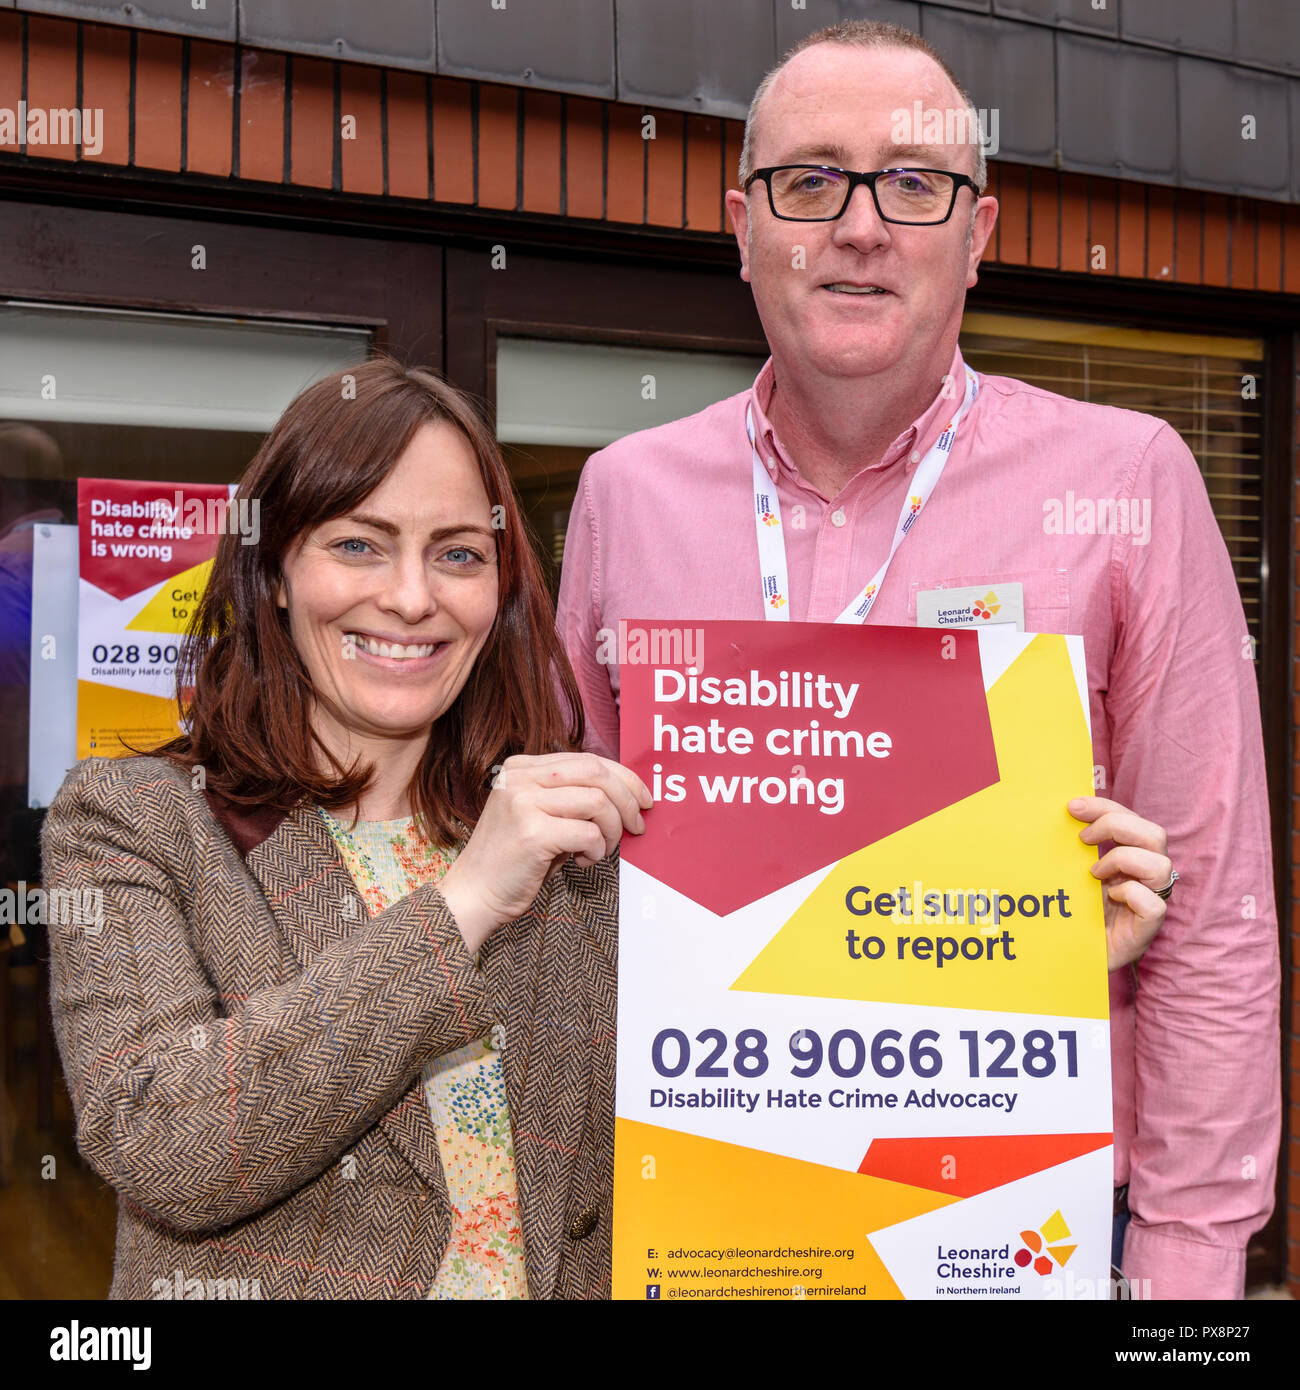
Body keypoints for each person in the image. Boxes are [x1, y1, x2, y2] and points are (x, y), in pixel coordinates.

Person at [556, 21, 1279, 1299]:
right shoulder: (626, 499)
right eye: (810, 179)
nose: (859, 225)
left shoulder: (1129, 483)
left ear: (977, 233)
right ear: (741, 224)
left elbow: (1212, 922)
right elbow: (582, 907)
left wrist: (1184, 1278)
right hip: (716, 1212)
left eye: (912, 181)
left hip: (1027, 1220)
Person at [41, 357, 650, 1299]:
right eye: (360, 545)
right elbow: (162, 1143)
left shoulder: (569, 846)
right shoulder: (135, 822)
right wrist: (463, 902)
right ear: (274, 570)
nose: (411, 598)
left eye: (458, 554)